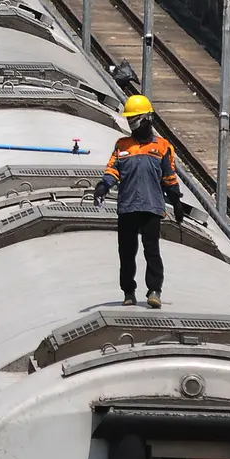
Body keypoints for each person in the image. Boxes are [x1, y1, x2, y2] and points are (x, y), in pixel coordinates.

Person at [94, 95, 185, 309]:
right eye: (130, 121)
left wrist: (177, 202)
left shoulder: (162, 147)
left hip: (151, 206)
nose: (132, 125)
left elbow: (169, 177)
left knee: (151, 249)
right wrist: (103, 186)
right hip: (127, 207)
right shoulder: (122, 145)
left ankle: (154, 290)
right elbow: (113, 169)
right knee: (126, 252)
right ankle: (128, 291)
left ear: (147, 119)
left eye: (135, 120)